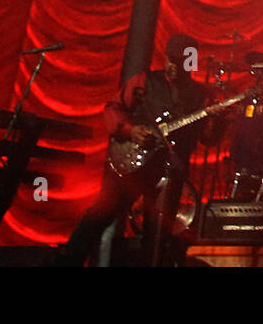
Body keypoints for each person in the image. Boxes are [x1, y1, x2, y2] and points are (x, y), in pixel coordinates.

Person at [57, 34, 206, 266]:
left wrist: (219, 122)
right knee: (100, 214)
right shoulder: (145, 81)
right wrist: (131, 131)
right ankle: (66, 263)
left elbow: (207, 138)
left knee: (157, 234)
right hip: (132, 163)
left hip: (169, 172)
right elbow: (114, 108)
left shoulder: (200, 96)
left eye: (180, 61)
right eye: (171, 59)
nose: (173, 66)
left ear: (191, 64)